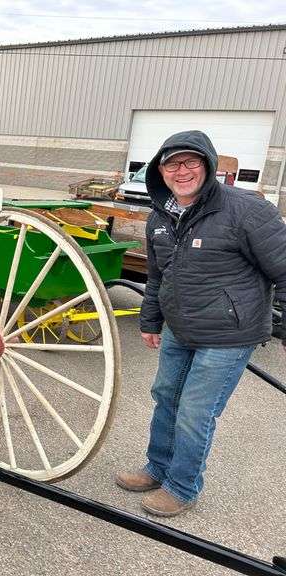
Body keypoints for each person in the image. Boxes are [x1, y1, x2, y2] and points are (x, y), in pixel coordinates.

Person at [115, 130, 286, 517]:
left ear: (208, 165)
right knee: (165, 397)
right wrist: (151, 320)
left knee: (195, 410)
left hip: (229, 333)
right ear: (160, 171)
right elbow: (158, 275)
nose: (182, 171)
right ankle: (157, 468)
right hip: (180, 326)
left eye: (191, 161)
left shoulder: (246, 209)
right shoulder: (160, 216)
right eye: (172, 163)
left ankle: (182, 485)